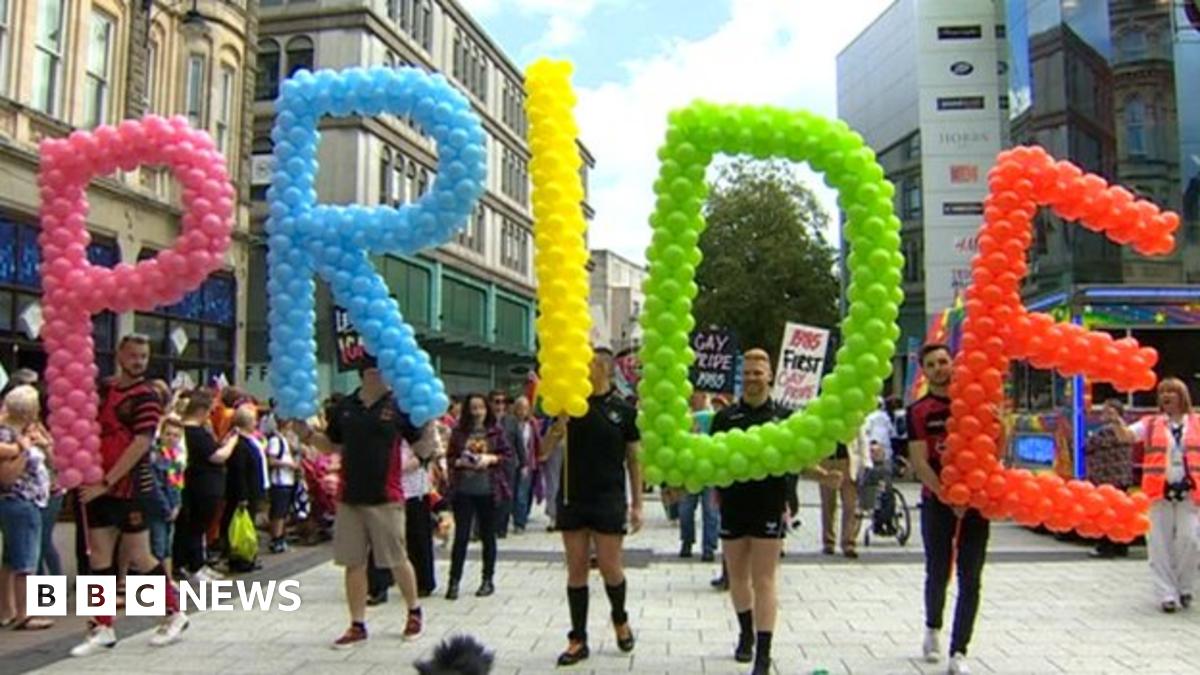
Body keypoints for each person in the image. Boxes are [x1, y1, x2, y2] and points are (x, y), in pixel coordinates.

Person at [714, 349, 839, 674]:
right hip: (733, 505)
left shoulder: (785, 417)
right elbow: (708, 462)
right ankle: (745, 634)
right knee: (738, 576)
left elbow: (797, 460)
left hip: (769, 504)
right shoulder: (725, 418)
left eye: (759, 372)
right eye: (749, 373)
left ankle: (763, 654)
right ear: (742, 377)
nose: (753, 378)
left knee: (764, 579)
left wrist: (823, 475)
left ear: (770, 376)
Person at [306, 358, 439, 648]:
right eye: (379, 372)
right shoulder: (345, 408)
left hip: (385, 496)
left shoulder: (399, 407)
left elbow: (422, 447)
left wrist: (429, 425)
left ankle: (413, 610)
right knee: (353, 562)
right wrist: (306, 434)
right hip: (349, 495)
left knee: (396, 558)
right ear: (367, 374)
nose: (384, 377)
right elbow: (332, 444)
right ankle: (357, 623)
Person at [71, 334, 189, 656]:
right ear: (120, 354)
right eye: (134, 355)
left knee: (139, 554)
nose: (139, 361)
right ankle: (103, 625)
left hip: (130, 487)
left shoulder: (147, 397)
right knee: (99, 555)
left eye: (144, 355)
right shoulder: (104, 389)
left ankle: (174, 613)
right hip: (97, 481)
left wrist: (106, 482)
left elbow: (140, 445)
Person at [540, 346, 642, 667]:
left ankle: (619, 618)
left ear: (607, 370)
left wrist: (637, 503)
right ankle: (577, 638)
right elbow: (542, 452)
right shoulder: (570, 406)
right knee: (577, 570)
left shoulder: (622, 411)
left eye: (594, 365)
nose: (588, 369)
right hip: (574, 497)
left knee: (611, 568)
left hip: (608, 498)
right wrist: (558, 426)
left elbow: (634, 460)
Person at [909, 343, 987, 675]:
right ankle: (932, 627)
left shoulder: (974, 404)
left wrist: (1004, 429)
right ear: (924, 371)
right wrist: (946, 495)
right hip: (937, 502)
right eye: (932, 364)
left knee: (972, 577)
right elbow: (919, 461)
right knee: (938, 571)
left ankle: (959, 650)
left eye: (944, 361)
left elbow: (991, 454)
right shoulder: (919, 411)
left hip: (975, 503)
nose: (940, 368)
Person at [1120, 378, 1200, 612]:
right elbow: (1128, 436)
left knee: (1191, 540)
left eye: (1171, 392)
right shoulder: (1151, 423)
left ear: (1182, 396)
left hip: (1190, 492)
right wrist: (1116, 422)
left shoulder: (1196, 423)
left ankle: (1185, 586)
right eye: (1163, 392)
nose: (1166, 396)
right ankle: (1166, 593)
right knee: (1159, 544)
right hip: (1158, 492)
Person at [445, 393, 513, 599]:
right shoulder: (458, 432)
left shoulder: (495, 431)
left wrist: (491, 458)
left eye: (481, 408)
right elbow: (449, 457)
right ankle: (454, 581)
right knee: (461, 537)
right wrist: (459, 462)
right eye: (473, 408)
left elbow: (508, 456)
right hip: (463, 491)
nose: (477, 412)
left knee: (488, 536)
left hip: (489, 491)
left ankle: (487, 579)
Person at [0, 386, 54, 630]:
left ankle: (7, 609)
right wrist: (24, 450)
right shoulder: (8, 436)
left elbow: (53, 458)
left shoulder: (27, 431)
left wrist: (42, 443)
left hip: (32, 501)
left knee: (12, 558)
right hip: (19, 501)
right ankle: (25, 613)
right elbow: (7, 477)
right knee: (26, 559)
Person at [174, 389, 236, 581]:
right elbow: (217, 456)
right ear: (200, 410)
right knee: (196, 526)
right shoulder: (195, 433)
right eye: (209, 411)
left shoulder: (194, 432)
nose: (210, 415)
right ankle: (193, 565)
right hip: (202, 486)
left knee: (196, 527)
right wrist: (232, 443)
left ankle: (195, 562)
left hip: (200, 484)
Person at [1085, 399, 1133, 559]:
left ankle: (1106, 547)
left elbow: (1087, 446)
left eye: (1108, 412)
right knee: (1121, 513)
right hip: (1123, 477)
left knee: (1106, 514)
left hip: (1106, 478)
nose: (1103, 414)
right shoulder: (1127, 430)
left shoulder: (1105, 431)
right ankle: (1122, 545)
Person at [819, 423, 871, 558]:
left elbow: (862, 438)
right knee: (828, 504)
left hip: (848, 461)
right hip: (826, 460)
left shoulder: (852, 415)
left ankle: (848, 543)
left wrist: (865, 463)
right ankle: (828, 542)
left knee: (850, 505)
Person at [678, 391, 719, 561]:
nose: (694, 398)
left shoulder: (715, 417)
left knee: (710, 512)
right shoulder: (684, 417)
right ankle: (687, 541)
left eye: (698, 395)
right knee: (685, 510)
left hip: (710, 471)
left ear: (704, 397)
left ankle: (708, 548)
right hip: (691, 471)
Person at [147, 415, 186, 573]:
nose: (171, 438)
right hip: (159, 508)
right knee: (158, 545)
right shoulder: (156, 457)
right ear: (161, 434)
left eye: (176, 435)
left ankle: (168, 581)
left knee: (167, 547)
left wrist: (177, 505)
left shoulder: (175, 457)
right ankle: (158, 584)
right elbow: (156, 486)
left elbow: (177, 485)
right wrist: (167, 508)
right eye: (168, 434)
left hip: (172, 506)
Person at [266, 418, 301, 554]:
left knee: (284, 510)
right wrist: (289, 465)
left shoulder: (285, 439)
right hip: (279, 480)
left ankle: (280, 537)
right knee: (278, 512)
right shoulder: (275, 440)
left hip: (288, 480)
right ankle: (276, 539)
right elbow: (271, 460)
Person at [509, 396, 541, 533]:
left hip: (528, 463)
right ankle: (516, 518)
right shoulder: (510, 423)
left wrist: (539, 458)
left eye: (525, 408)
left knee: (523, 493)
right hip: (512, 462)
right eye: (520, 408)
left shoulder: (532, 424)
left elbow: (537, 442)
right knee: (513, 492)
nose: (522, 411)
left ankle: (520, 522)